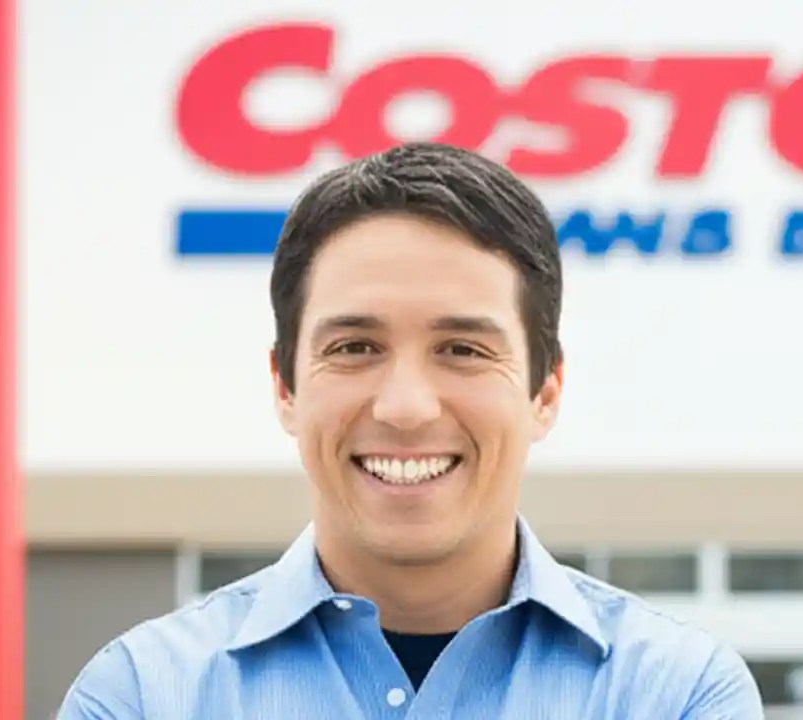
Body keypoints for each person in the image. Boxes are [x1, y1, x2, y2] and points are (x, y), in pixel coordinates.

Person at [58, 143, 764, 719]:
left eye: (462, 349)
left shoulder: (675, 695)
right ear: (285, 387)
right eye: (355, 348)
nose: (405, 407)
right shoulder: (142, 696)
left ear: (545, 390)